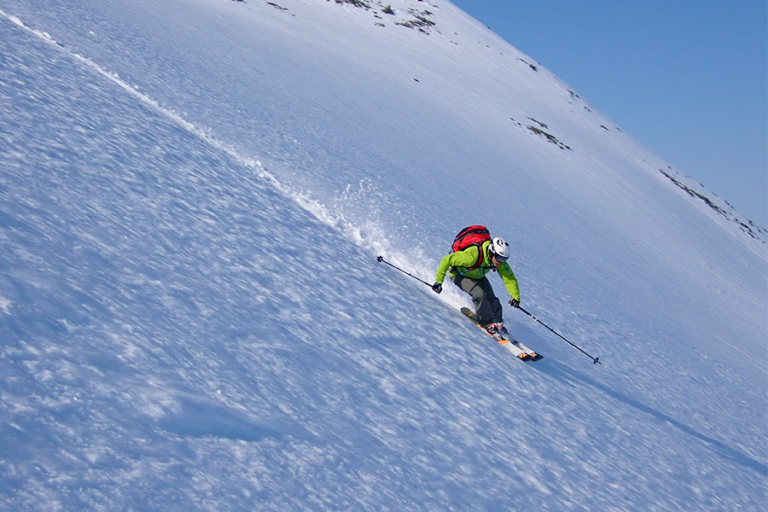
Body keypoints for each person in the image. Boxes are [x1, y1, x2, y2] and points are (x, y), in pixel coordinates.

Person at [431, 236, 520, 340]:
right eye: (500, 258)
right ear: (492, 252)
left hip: (477, 275)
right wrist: (438, 282)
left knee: (492, 298)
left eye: (504, 259)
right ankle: (486, 323)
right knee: (479, 294)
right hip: (459, 274)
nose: (501, 262)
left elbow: (509, 278)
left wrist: (515, 297)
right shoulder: (472, 256)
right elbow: (447, 260)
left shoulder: (498, 261)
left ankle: (498, 323)